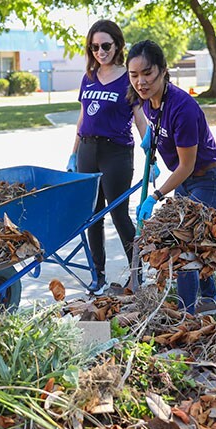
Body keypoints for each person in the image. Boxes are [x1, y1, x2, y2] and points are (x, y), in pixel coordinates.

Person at [130, 39, 216, 316]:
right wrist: (151, 141)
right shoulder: (149, 101)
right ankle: (211, 300)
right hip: (185, 180)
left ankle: (186, 314)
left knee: (183, 242)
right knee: (193, 240)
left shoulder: (183, 108)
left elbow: (186, 165)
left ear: (163, 70)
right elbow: (158, 127)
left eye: (147, 73)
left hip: (208, 179)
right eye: (134, 75)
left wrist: (156, 195)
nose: (141, 81)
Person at [65, 20, 149, 292]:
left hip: (117, 153)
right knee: (92, 216)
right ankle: (97, 275)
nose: (100, 52)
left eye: (105, 46)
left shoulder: (128, 78)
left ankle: (136, 274)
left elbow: (139, 119)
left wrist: (151, 151)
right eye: (94, 47)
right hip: (88, 150)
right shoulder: (88, 78)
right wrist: (73, 154)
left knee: (119, 214)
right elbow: (81, 119)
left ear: (117, 45)